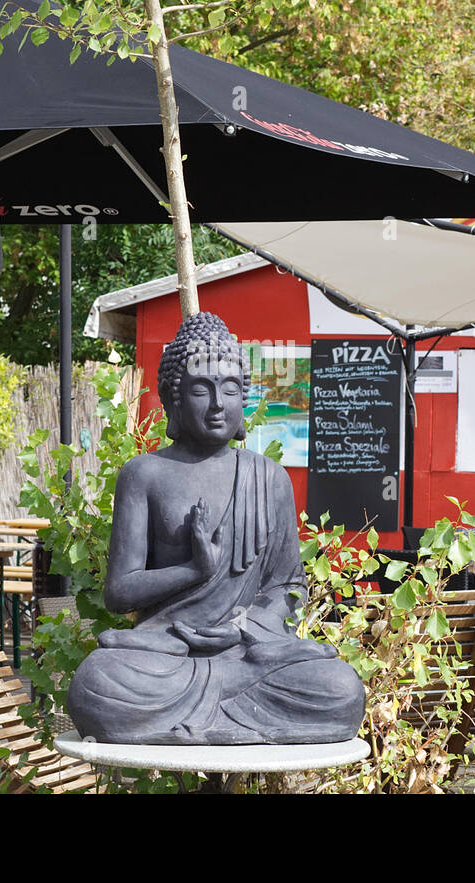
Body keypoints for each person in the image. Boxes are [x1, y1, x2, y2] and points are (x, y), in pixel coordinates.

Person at [67, 312, 365, 744]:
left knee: (341, 690)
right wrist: (193, 571)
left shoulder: (268, 478)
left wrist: (244, 626)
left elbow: (288, 588)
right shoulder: (145, 473)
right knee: (97, 685)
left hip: (248, 656)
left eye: (230, 389)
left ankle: (210, 713)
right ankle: (231, 717)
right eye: (200, 390)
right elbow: (120, 593)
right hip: (168, 654)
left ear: (242, 398)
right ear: (173, 399)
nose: (217, 404)